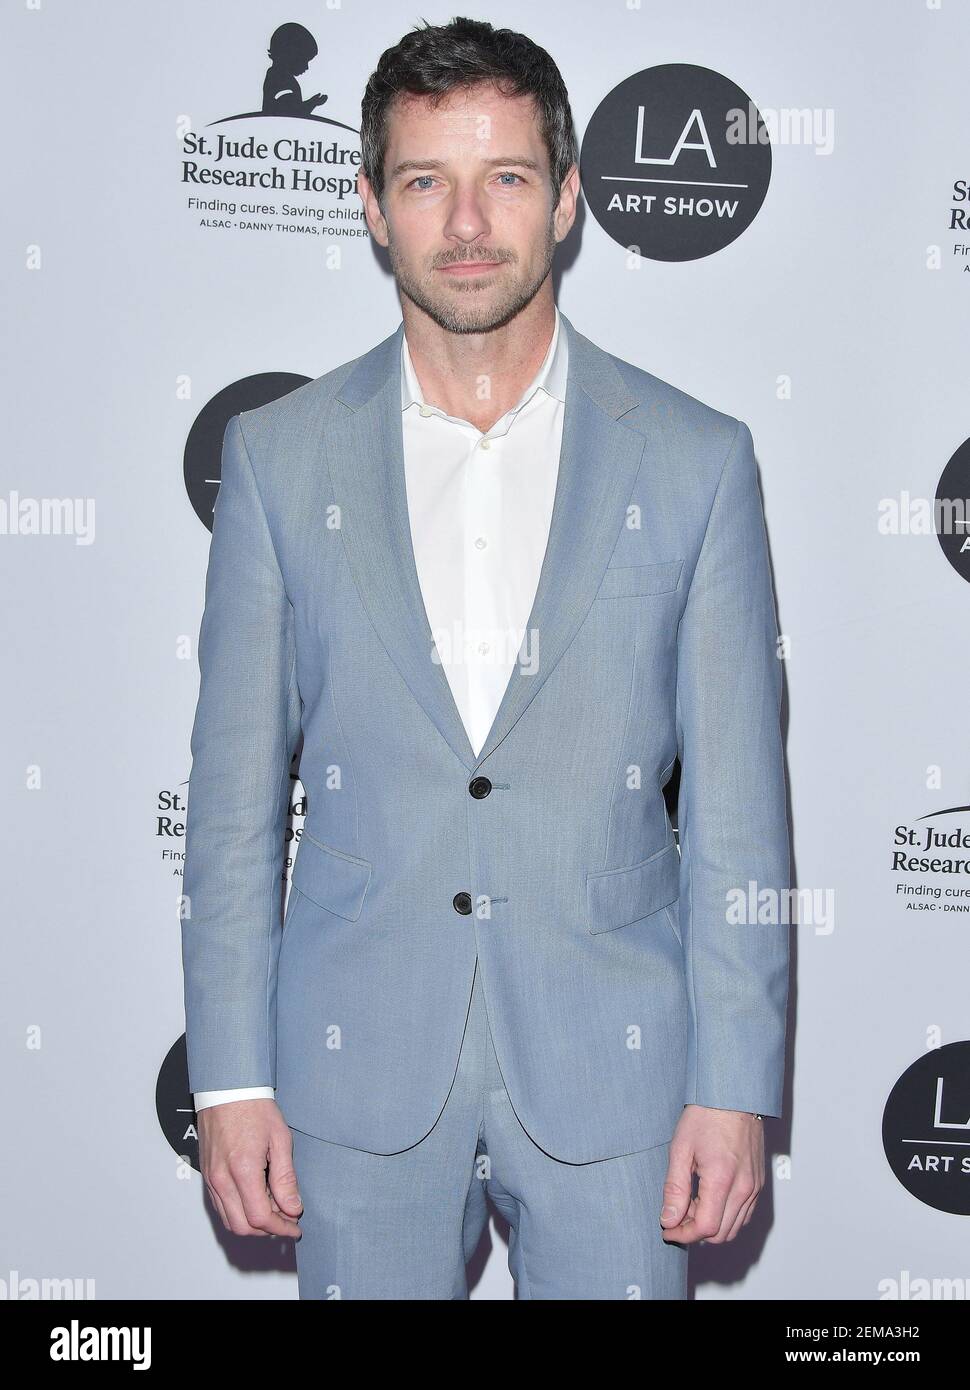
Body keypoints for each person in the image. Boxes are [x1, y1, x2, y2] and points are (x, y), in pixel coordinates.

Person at [181, 16, 791, 1301]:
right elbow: (233, 804)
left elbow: (740, 814)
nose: (467, 222)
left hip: (618, 1069)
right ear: (369, 205)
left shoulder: (695, 460)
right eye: (424, 181)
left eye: (505, 177)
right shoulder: (282, 461)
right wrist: (232, 1076)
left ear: (565, 199)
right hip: (354, 1068)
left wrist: (734, 1085)